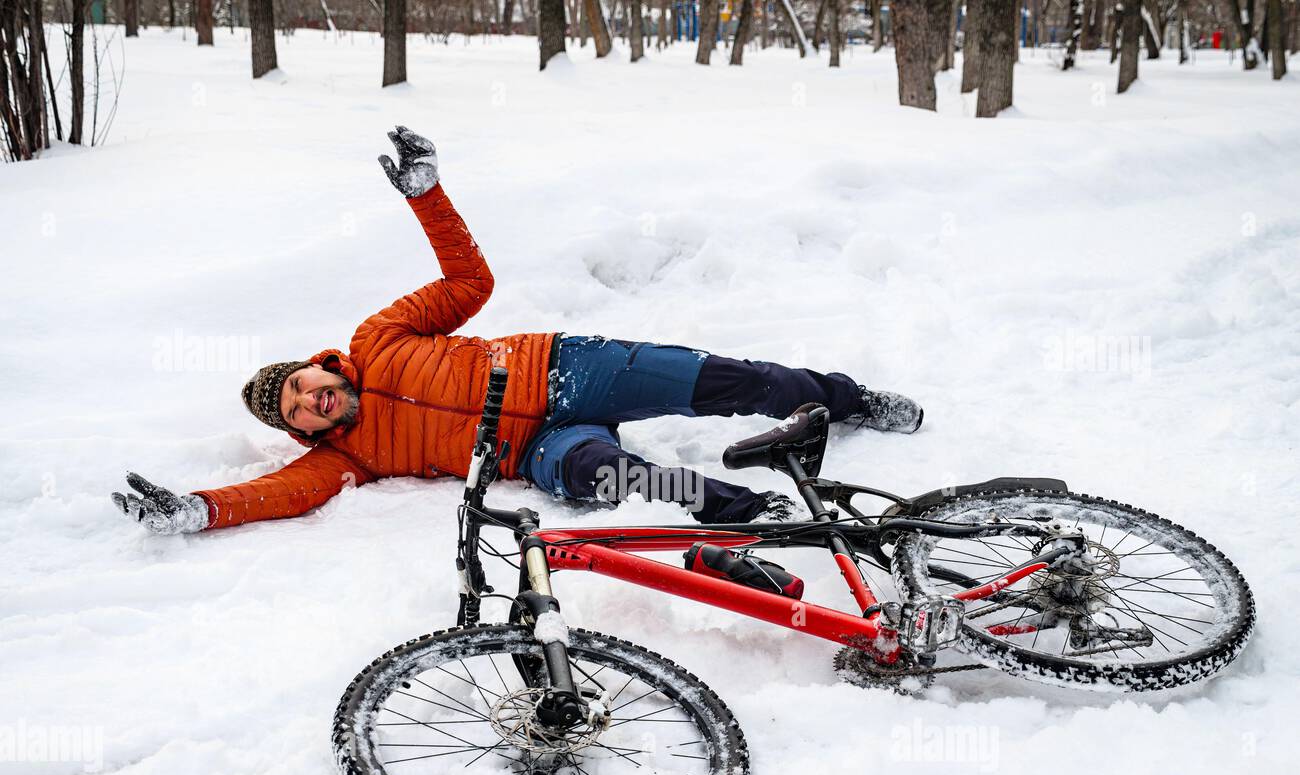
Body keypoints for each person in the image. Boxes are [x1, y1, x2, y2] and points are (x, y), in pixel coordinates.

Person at [112, 127, 922, 536]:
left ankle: (848, 400)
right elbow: (275, 494)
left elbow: (471, 284)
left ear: (315, 367)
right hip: (534, 452)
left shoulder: (378, 337)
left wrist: (426, 196)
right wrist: (201, 509)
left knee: (732, 381)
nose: (314, 401)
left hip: (565, 372)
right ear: (302, 429)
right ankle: (759, 515)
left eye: (301, 384)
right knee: (625, 478)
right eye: (298, 412)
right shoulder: (343, 460)